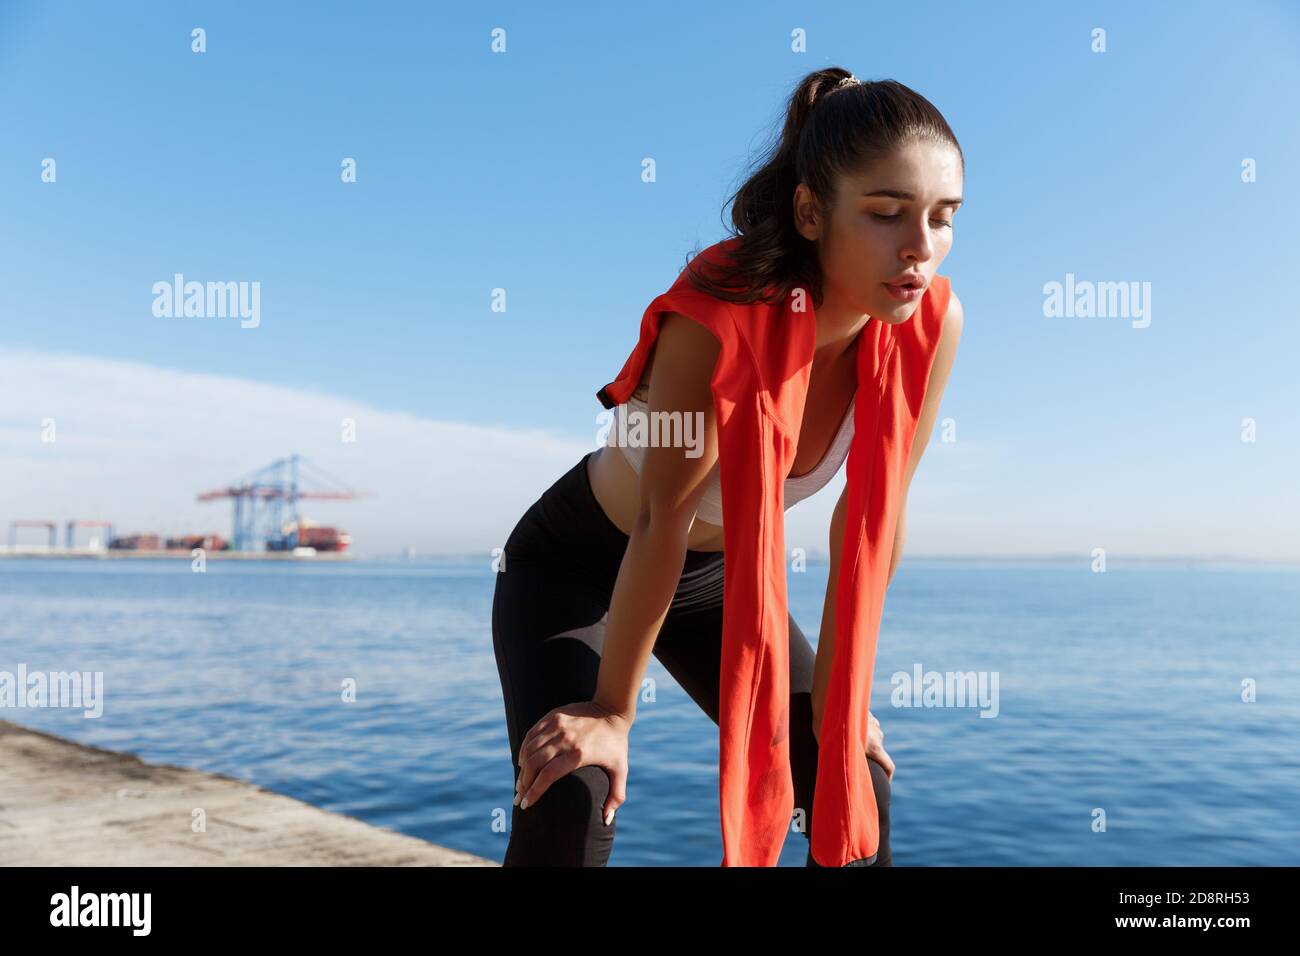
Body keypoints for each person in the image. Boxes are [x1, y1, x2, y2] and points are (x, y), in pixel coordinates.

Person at [492, 67, 964, 866]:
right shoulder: (715, 318)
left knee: (854, 779)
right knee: (573, 789)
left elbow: (871, 524)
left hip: (712, 578)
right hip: (578, 563)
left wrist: (839, 703)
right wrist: (612, 710)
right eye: (887, 214)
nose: (920, 248)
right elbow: (658, 518)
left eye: (944, 218)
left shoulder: (929, 326)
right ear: (812, 212)